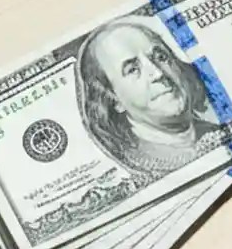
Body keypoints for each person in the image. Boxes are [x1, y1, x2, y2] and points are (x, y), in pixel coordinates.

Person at [76, 18, 221, 178]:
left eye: (160, 57)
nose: (158, 73)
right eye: (132, 69)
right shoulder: (139, 167)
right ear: (113, 100)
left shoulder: (217, 131)